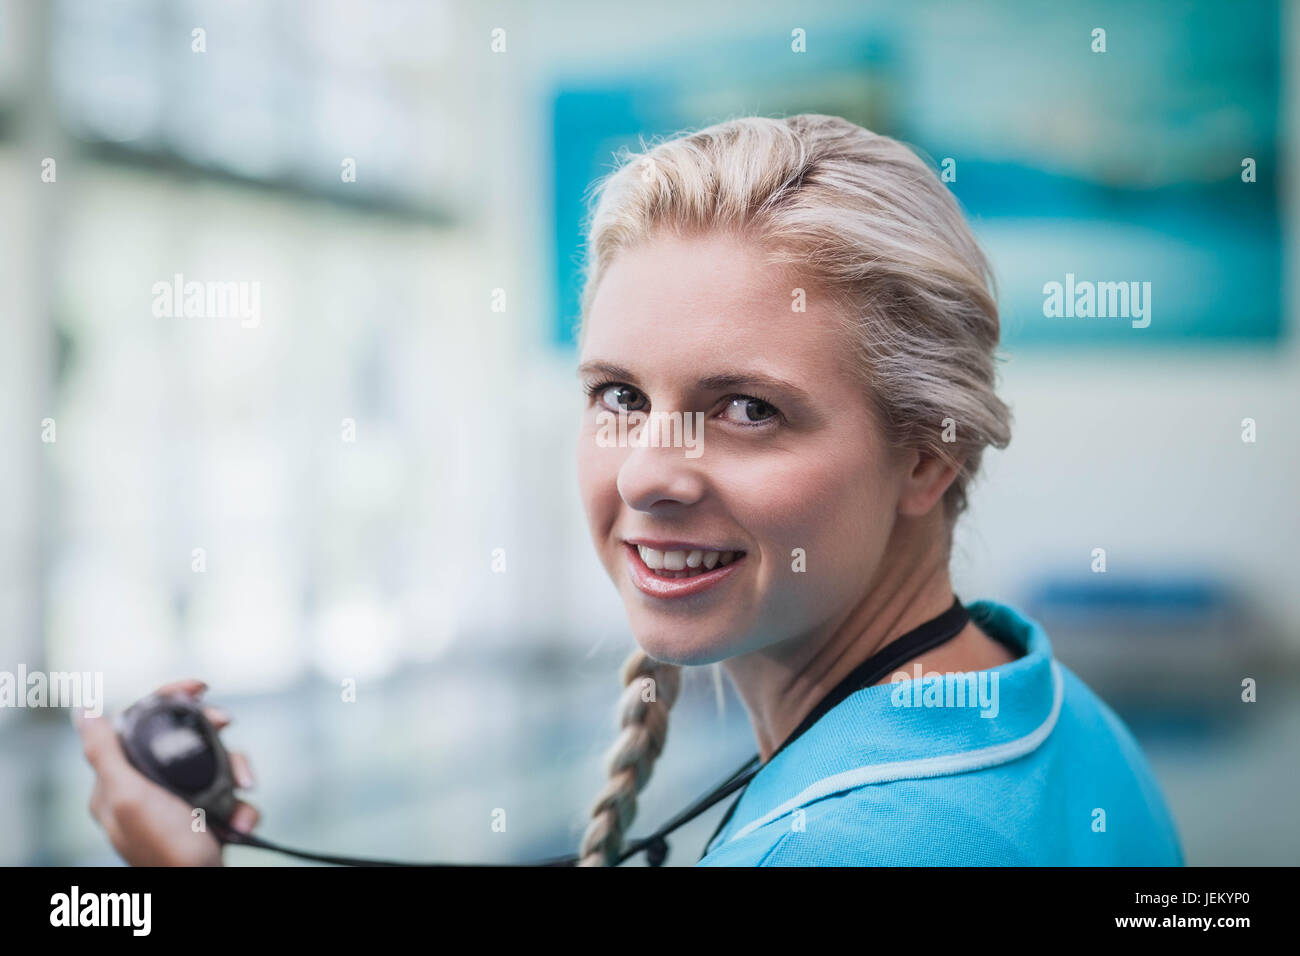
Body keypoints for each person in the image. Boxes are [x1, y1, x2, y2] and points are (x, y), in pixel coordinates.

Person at [78, 114, 1183, 867]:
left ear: (927, 454)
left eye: (747, 407)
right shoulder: (1040, 704)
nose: (648, 471)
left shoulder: (843, 845)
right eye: (617, 393)